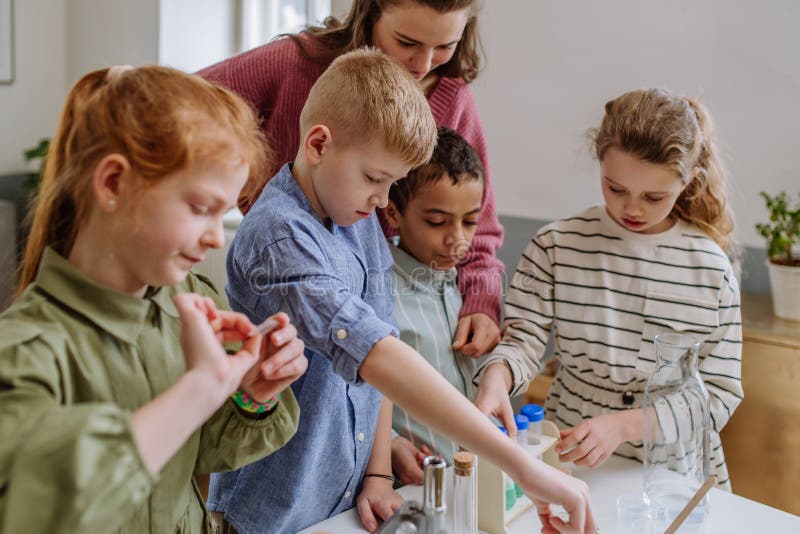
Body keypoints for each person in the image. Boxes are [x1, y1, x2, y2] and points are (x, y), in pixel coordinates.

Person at [207, 48, 595, 534]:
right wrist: (523, 466)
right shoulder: (280, 236)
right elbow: (376, 353)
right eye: (374, 178)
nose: (383, 200)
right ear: (319, 144)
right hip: (273, 511)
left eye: (392, 183)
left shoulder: (357, 213)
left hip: (341, 501)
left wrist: (376, 473)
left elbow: (379, 339)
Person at [0, 66, 309, 533]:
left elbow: (198, 450)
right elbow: (42, 510)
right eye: (201, 208)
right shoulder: (24, 353)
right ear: (112, 184)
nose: (215, 239)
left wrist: (250, 394)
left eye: (222, 214)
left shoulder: (187, 304)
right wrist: (202, 385)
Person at [199, 0, 504, 359]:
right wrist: (241, 182)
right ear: (372, 12)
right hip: (291, 289)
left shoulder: (453, 99)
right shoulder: (293, 62)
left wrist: (482, 300)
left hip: (374, 290)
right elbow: (182, 109)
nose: (423, 64)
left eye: (444, 47)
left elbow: (476, 222)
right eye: (407, 42)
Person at [473, 88, 742, 489]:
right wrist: (496, 377)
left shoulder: (711, 270)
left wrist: (625, 425)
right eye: (615, 188)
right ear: (599, 164)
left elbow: (718, 394)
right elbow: (523, 339)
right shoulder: (556, 245)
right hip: (572, 455)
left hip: (671, 472)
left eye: (654, 196)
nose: (632, 209)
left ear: (688, 182)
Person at [384, 126, 486, 485]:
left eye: (470, 221)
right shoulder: (377, 290)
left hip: (472, 477)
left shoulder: (466, 284)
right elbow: (349, 395)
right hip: (408, 484)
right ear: (393, 213)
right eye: (437, 221)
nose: (457, 240)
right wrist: (389, 445)